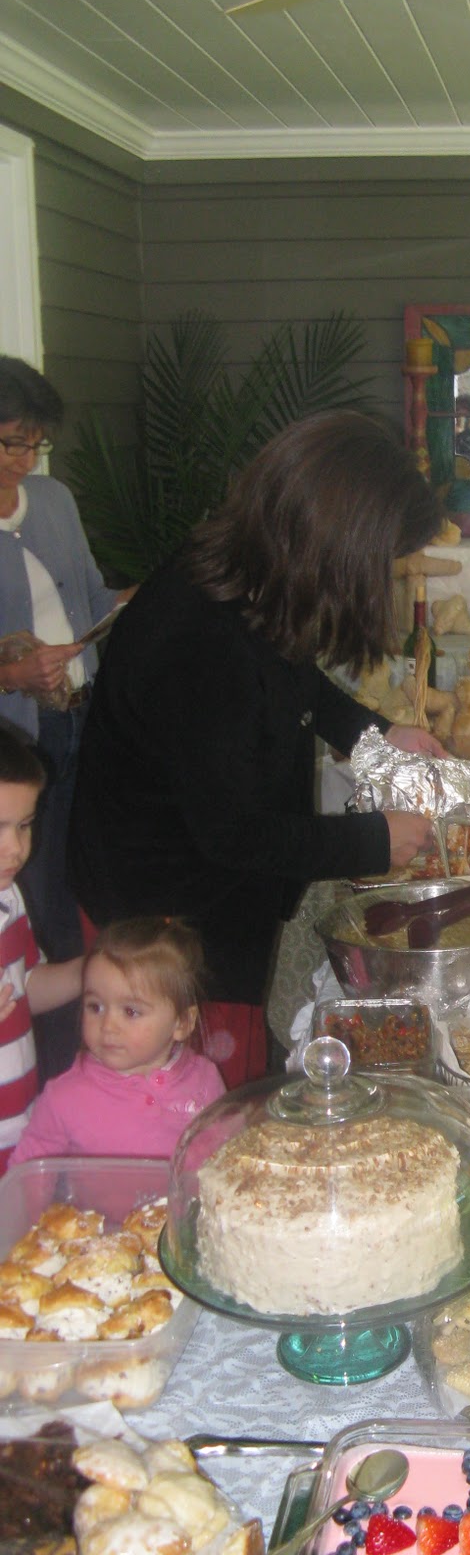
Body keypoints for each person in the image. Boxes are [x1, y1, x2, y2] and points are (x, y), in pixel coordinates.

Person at [69, 410, 444, 1090]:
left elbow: (290, 676)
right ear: (341, 546)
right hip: (162, 924)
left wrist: (376, 736)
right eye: (383, 561)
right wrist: (371, 841)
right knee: (190, 1106)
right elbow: (231, 832)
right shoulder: (200, 640)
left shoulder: (249, 572)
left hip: (201, 895)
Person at [0, 358, 130, 1081]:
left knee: (80, 879)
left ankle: (101, 1039)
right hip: (18, 743)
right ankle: (42, 1066)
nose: (25, 460)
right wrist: (14, 674)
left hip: (82, 720)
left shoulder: (51, 501)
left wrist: (134, 602)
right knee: (35, 896)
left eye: (34, 444)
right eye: (12, 442)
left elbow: (89, 597)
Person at [10, 916, 224, 1163]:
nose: (108, 1026)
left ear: (182, 1023)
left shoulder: (205, 1080)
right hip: (93, 1204)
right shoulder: (64, 1097)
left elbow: (229, 1159)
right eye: (95, 1007)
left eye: (130, 1011)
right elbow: (28, 1175)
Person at [0, 730, 84, 1172]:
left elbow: (26, 985)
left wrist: (88, 971)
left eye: (25, 825)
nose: (15, 848)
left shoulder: (9, 898)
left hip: (19, 1134)